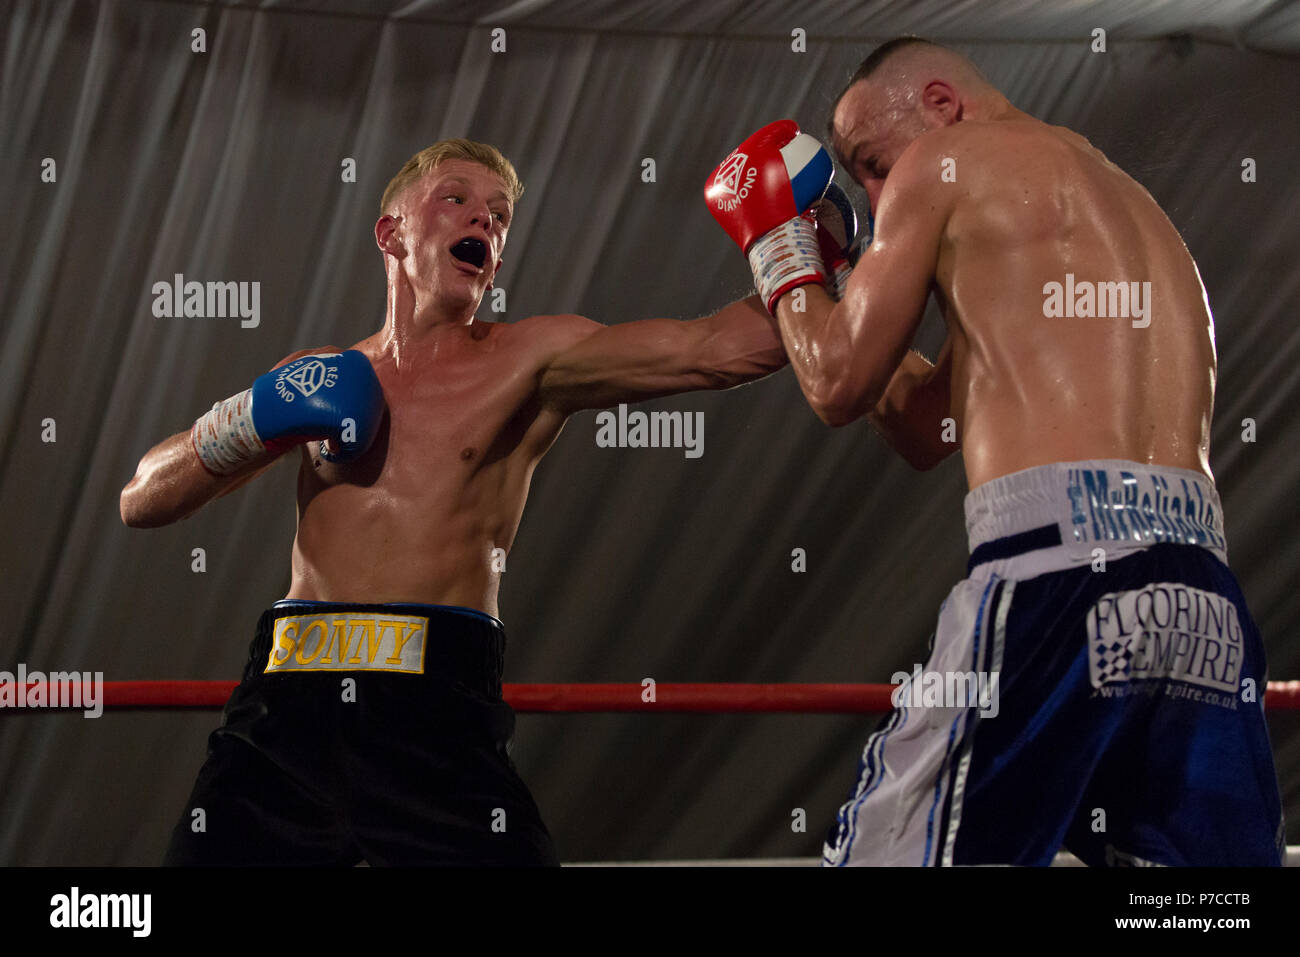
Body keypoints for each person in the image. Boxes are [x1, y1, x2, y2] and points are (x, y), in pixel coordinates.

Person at [122, 138, 786, 866]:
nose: (486, 221)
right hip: (286, 712)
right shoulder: (310, 376)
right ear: (391, 233)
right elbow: (142, 498)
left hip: (437, 714)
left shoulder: (532, 357)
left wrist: (798, 245)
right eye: (456, 199)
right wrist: (249, 419)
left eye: (499, 217)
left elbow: (715, 350)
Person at [705, 37, 1284, 866]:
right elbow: (920, 427)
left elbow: (835, 381)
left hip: (1060, 572)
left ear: (940, 104)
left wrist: (780, 250)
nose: (875, 195)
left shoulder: (943, 163)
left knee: (888, 855)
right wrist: (836, 296)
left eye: (871, 161)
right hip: (1202, 600)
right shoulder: (1131, 207)